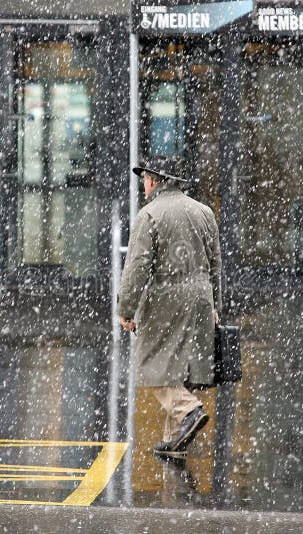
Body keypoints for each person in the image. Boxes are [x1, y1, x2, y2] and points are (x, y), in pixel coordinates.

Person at [117, 158, 222, 459]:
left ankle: (188, 411)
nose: (144, 185)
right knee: (182, 365)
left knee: (153, 362)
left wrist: (126, 308)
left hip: (166, 294)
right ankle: (176, 437)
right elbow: (216, 265)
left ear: (154, 181)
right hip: (201, 295)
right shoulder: (204, 212)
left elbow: (137, 268)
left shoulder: (149, 215)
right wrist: (216, 304)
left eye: (146, 179)